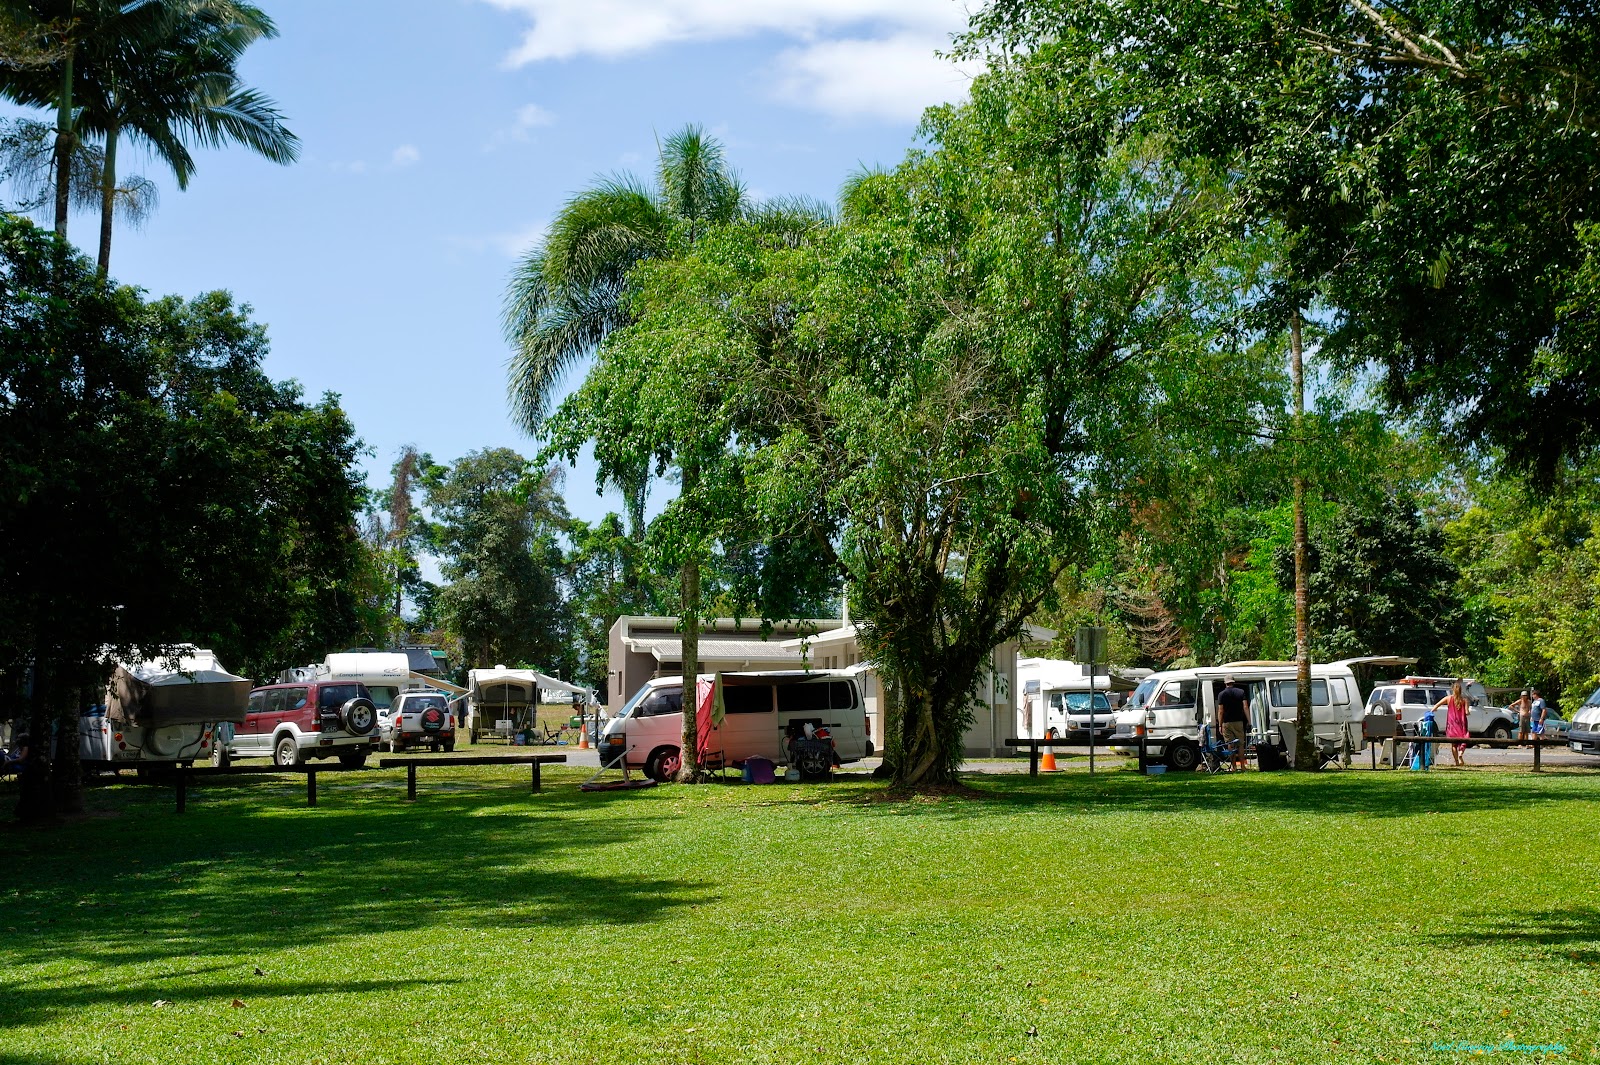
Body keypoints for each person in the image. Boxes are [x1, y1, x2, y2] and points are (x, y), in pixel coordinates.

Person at [1431, 680, 1471, 767]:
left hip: (1452, 724)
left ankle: (1456, 761)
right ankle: (1461, 753)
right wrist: (1467, 711)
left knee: (1453, 744)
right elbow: (1467, 712)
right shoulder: (1464, 700)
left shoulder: (1448, 698)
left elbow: (1437, 705)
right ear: (1461, 690)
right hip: (1462, 724)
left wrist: (1432, 711)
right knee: (1464, 739)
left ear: (1453, 690)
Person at [1215, 676, 1249, 772]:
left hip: (1227, 723)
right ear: (1233, 682)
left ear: (1225, 683)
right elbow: (1245, 707)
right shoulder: (1241, 692)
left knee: (1230, 744)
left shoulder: (1221, 694)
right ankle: (1242, 766)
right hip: (1239, 721)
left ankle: (1233, 767)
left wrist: (1220, 725)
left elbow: (1221, 711)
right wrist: (1249, 720)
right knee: (1240, 744)